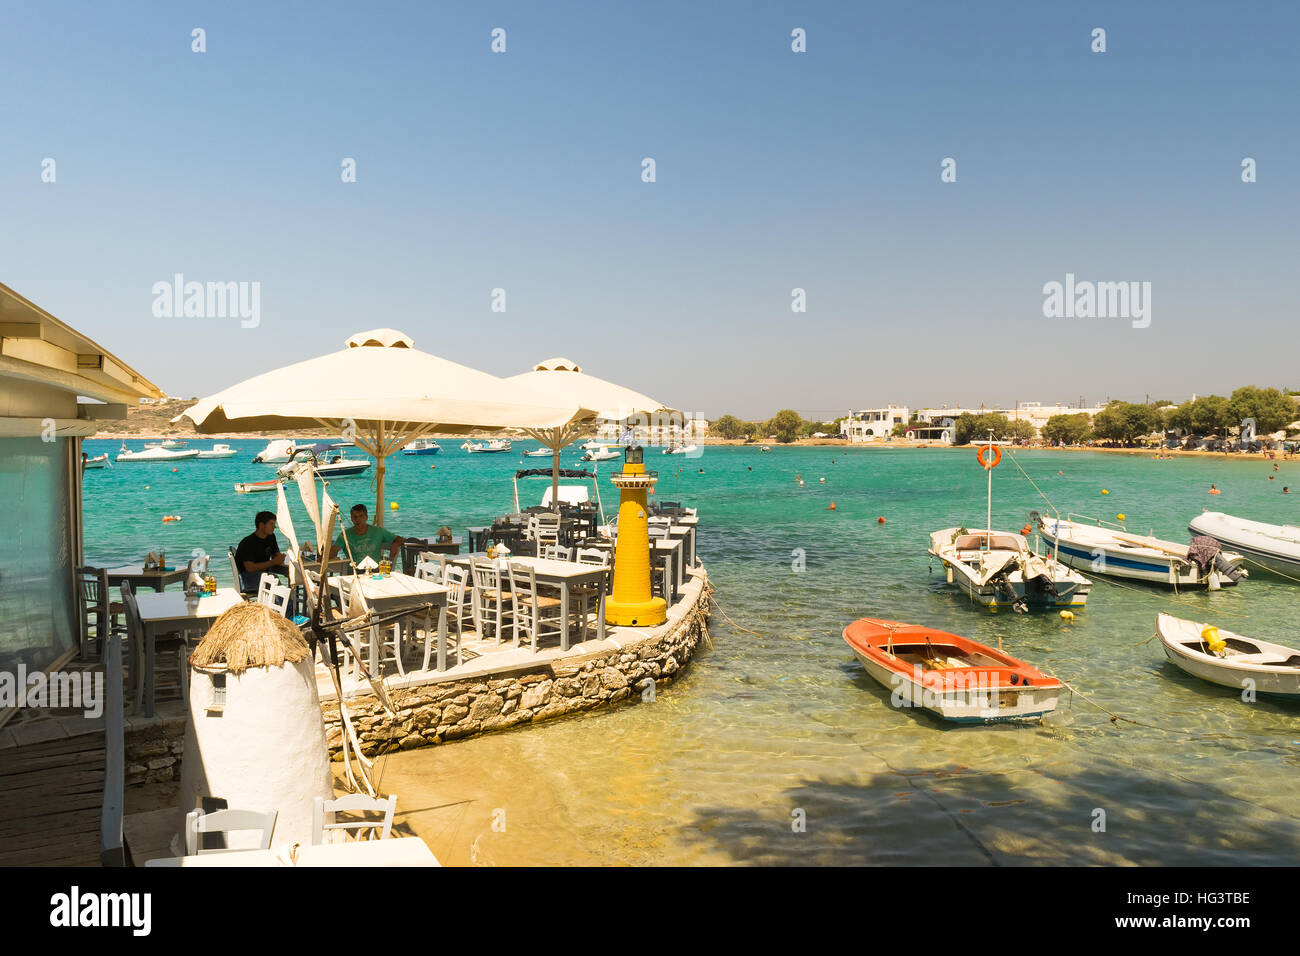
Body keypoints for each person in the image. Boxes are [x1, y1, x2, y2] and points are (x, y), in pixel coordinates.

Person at [331, 504, 403, 566]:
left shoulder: (378, 531)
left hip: (375, 572)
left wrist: (395, 545)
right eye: (355, 517)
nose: (358, 519)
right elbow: (333, 551)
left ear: (366, 517)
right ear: (351, 519)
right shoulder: (345, 535)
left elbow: (399, 539)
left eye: (361, 516)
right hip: (353, 572)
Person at [234, 511, 286, 593]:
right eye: (271, 524)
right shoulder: (248, 542)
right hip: (247, 578)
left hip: (263, 574)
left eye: (274, 524)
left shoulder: (271, 537)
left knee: (275, 581)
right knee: (274, 581)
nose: (274, 527)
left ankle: (286, 604)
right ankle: (288, 605)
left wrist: (280, 558)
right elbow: (249, 568)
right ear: (261, 525)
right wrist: (273, 562)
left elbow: (276, 554)